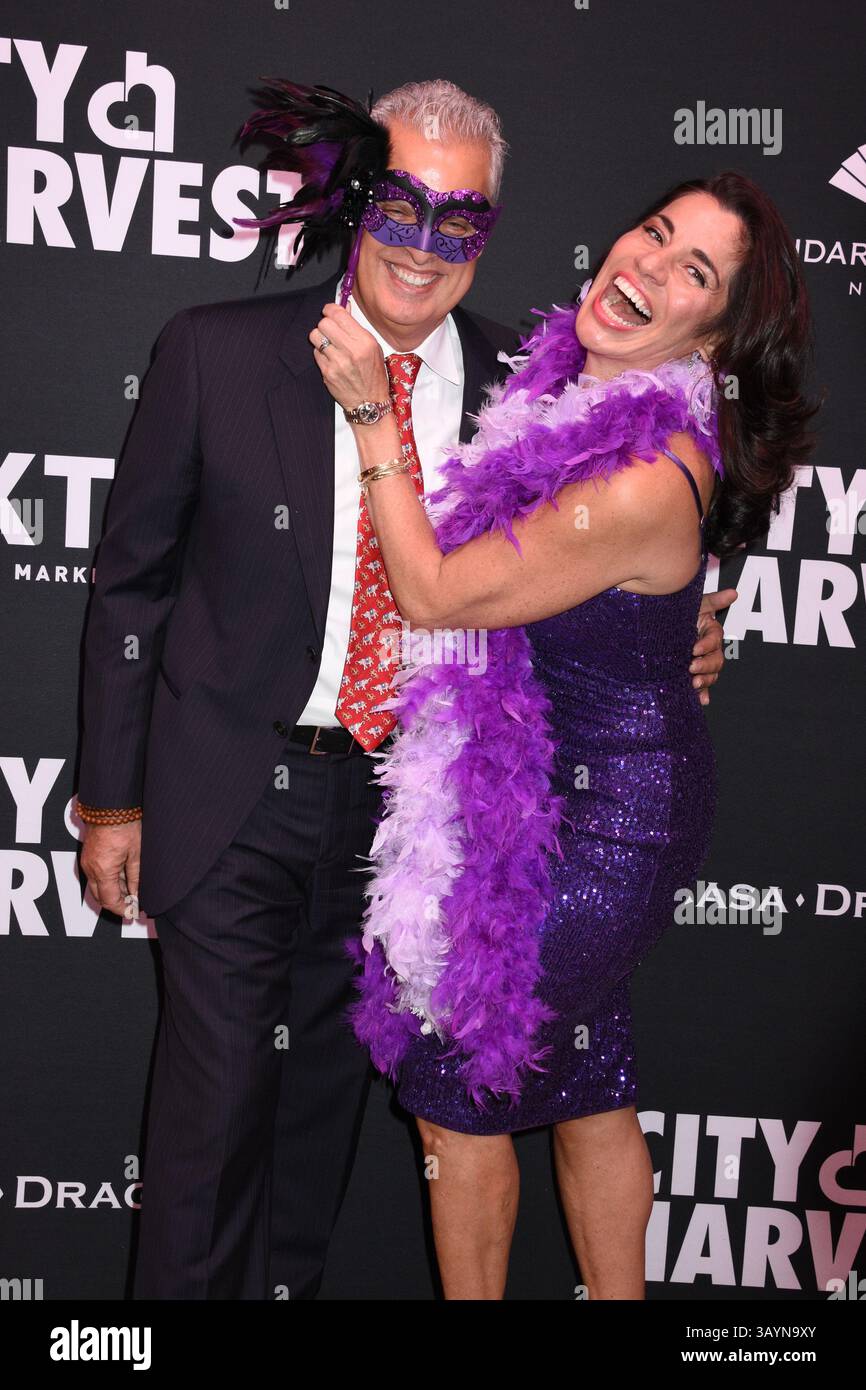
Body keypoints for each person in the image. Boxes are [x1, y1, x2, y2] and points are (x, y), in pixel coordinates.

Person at [76, 79, 731, 1300]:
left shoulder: (521, 390)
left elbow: (587, 560)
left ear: (489, 233)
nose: (424, 245)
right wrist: (110, 801)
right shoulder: (215, 350)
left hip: (410, 820)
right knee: (210, 1122)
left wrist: (680, 629)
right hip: (235, 794)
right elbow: (129, 588)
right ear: (352, 196)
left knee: (316, 1130)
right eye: (401, 203)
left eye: (461, 220)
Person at [311, 170, 816, 1299]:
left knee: (454, 1076)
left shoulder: (641, 471)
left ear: (716, 333)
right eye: (652, 231)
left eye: (694, 271)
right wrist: (677, 630)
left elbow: (437, 595)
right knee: (590, 1073)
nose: (645, 265)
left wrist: (372, 417)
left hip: (605, 827)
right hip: (565, 787)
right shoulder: (556, 393)